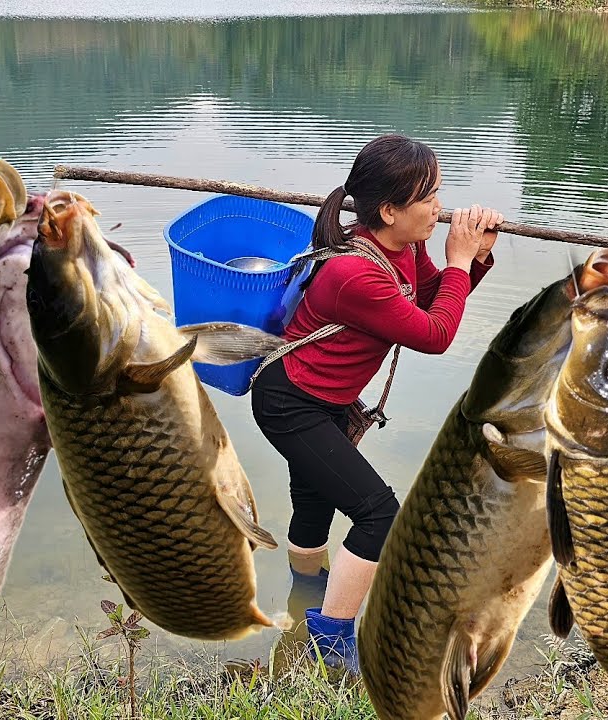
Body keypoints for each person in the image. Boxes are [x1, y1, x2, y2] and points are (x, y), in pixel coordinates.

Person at [251, 134, 502, 674]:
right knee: (379, 515)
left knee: (314, 507)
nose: (440, 207)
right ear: (388, 210)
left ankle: (306, 597)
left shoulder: (403, 247)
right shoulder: (354, 273)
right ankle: (332, 636)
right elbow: (434, 334)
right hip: (290, 403)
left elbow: (432, 296)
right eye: (428, 197)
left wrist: (472, 262)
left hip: (326, 402)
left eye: (438, 192)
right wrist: (460, 262)